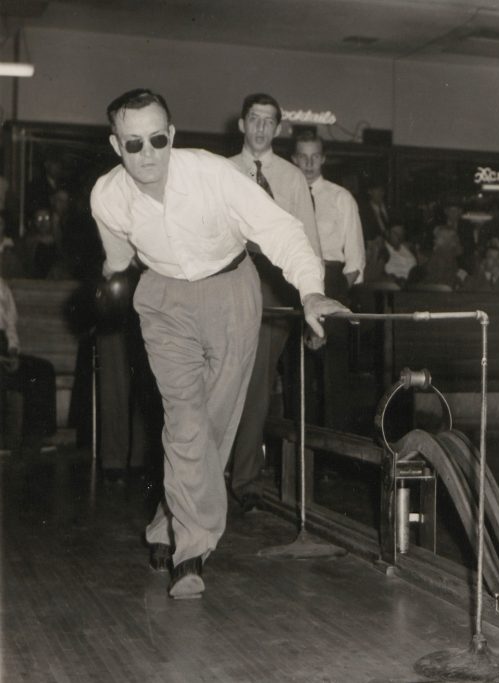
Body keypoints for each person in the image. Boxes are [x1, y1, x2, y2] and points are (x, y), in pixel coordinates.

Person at [90, 88, 346, 599]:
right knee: (185, 421)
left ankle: (168, 522)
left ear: (173, 136)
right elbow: (117, 259)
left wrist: (311, 291)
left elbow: (279, 229)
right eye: (134, 143)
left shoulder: (211, 174)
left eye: (158, 140)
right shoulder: (107, 195)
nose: (148, 155)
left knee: (214, 423)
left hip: (230, 290)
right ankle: (193, 550)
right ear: (116, 145)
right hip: (163, 298)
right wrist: (108, 282)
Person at [229, 93, 322, 514]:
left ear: (278, 128)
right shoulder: (223, 172)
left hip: (273, 286)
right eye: (255, 119)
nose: (262, 127)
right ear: (241, 124)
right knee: (221, 379)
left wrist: (311, 302)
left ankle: (245, 479)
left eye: (269, 121)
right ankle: (212, 473)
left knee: (257, 382)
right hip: (227, 281)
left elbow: (309, 243)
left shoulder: (291, 178)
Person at [291, 130, 365, 301]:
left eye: (315, 157)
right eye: (303, 157)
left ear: (323, 158)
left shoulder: (342, 198)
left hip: (330, 281)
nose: (309, 163)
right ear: (294, 159)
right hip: (292, 279)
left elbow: (355, 257)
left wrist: (337, 292)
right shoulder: (284, 198)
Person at [0, 274, 57, 454]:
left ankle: (35, 437)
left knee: (42, 370)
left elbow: (10, 326)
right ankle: (4, 440)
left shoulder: (1, 285)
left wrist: (13, 352)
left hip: (3, 349)